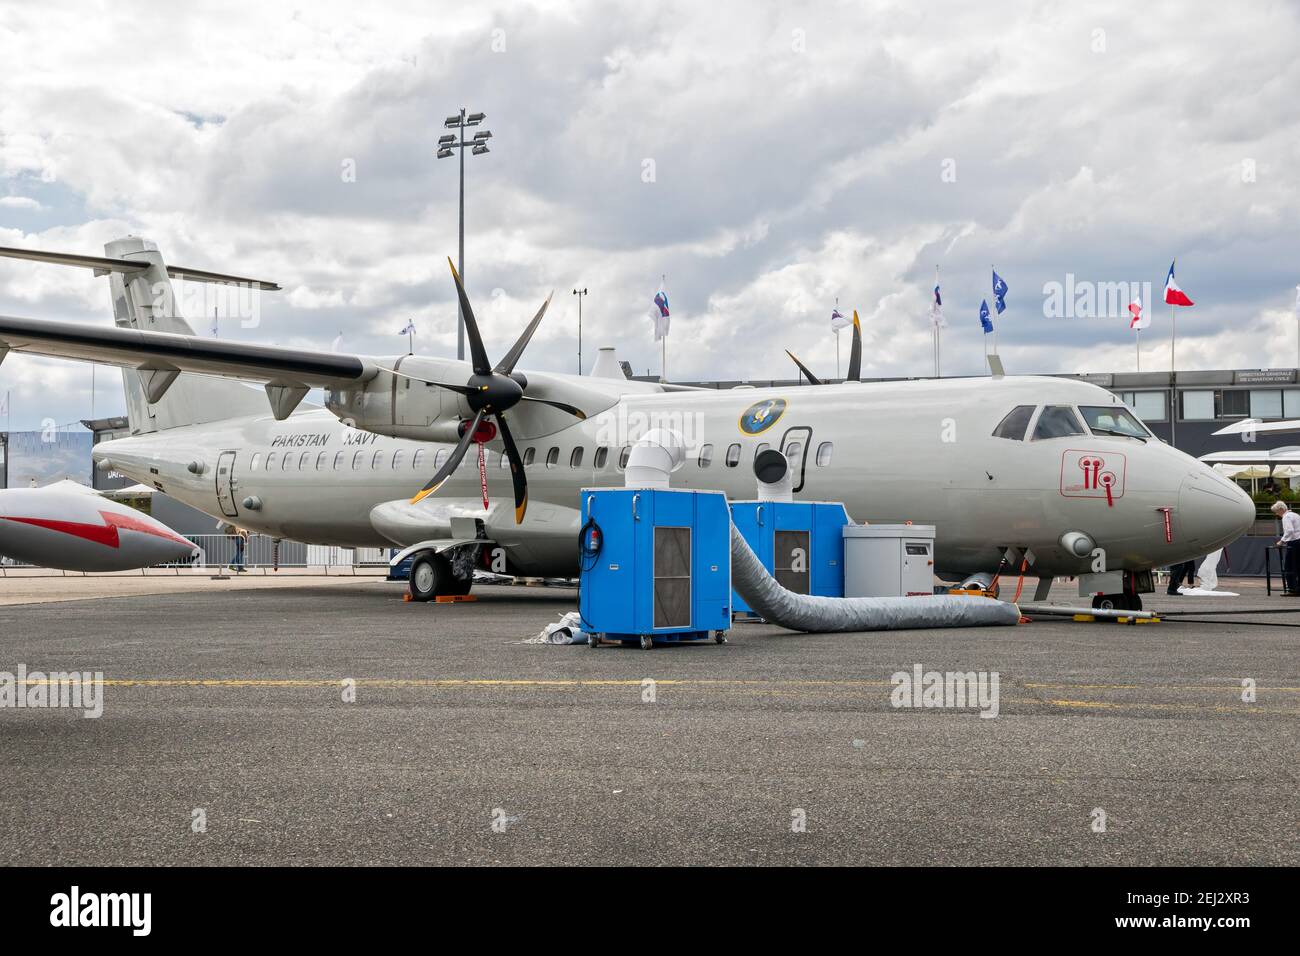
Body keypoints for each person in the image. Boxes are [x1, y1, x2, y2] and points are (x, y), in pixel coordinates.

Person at [1271, 501, 1300, 595]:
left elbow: (1290, 531)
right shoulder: (1295, 515)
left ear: (1281, 509)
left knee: (1289, 566)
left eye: (1276, 511)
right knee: (1298, 566)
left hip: (1294, 542)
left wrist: (1282, 541)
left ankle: (1292, 589)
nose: (1276, 514)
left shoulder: (1286, 517)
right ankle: (1298, 587)